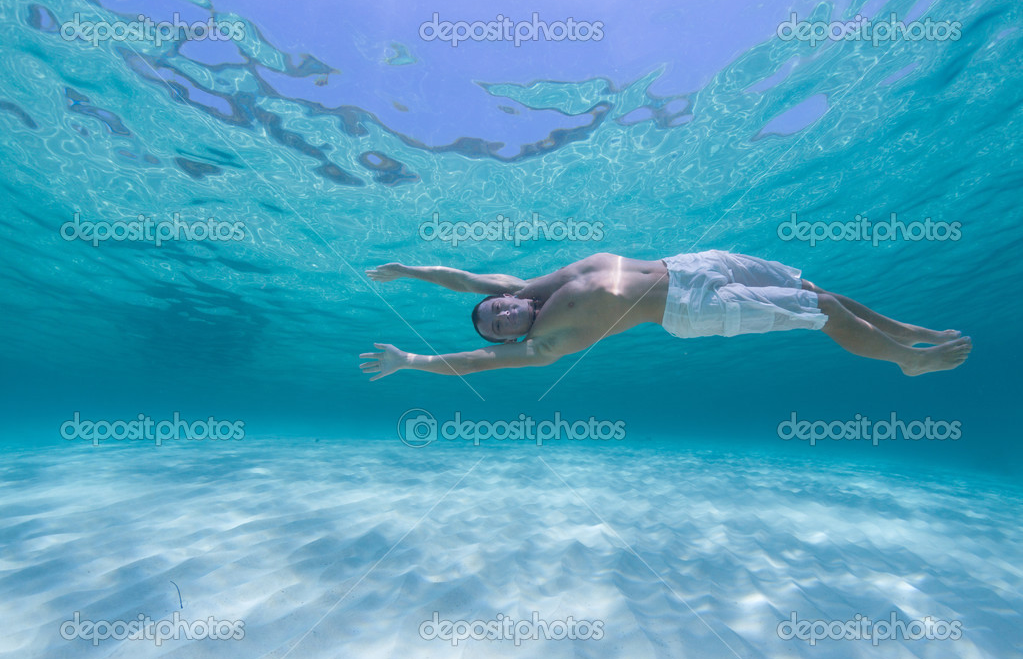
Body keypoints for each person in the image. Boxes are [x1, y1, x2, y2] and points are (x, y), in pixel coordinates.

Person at [359, 251, 971, 379]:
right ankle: (905, 362)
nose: (502, 317)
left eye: (495, 310)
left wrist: (411, 271)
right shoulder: (543, 341)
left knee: (817, 288)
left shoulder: (534, 285)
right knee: (823, 313)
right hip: (691, 307)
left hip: (694, 264)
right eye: (500, 327)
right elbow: (473, 362)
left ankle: (908, 331)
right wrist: (411, 360)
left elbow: (466, 278)